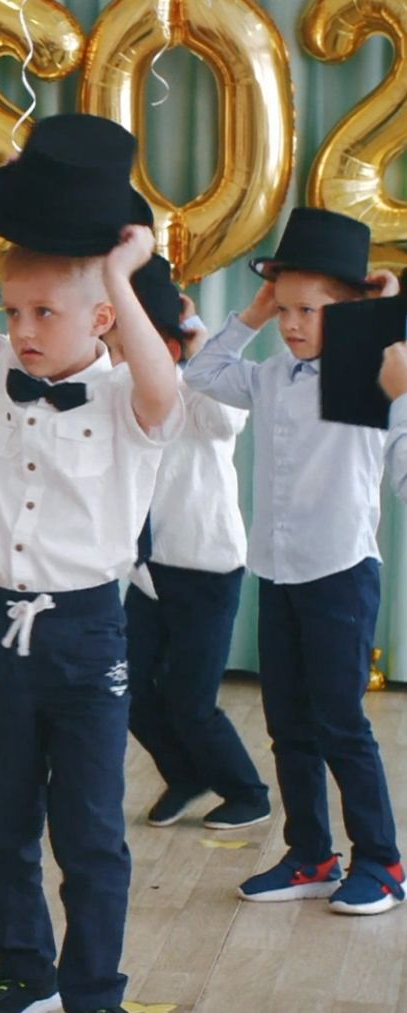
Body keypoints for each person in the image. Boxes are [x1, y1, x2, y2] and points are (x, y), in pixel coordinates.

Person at [0, 114, 180, 1013]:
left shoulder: (128, 399)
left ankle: (92, 990)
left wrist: (120, 271)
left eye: (44, 312)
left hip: (85, 634)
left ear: (101, 317)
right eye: (13, 311)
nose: (22, 328)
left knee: (90, 831)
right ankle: (21, 971)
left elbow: (163, 386)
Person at [186, 207, 406, 915]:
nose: (290, 323)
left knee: (341, 722)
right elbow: (202, 371)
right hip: (276, 571)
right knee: (288, 725)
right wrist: (251, 313)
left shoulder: (371, 374)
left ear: (346, 310)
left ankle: (382, 861)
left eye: (307, 310)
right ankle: (311, 853)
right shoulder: (272, 375)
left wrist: (385, 333)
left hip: (339, 572)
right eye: (283, 309)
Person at [107, 257, 270, 832]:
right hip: (146, 570)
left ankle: (248, 792)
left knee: (190, 699)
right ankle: (185, 774)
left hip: (206, 566)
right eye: (115, 342)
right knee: (126, 689)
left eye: (128, 343)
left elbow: (227, 422)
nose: (118, 354)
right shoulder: (114, 392)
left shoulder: (196, 386)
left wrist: (199, 342)